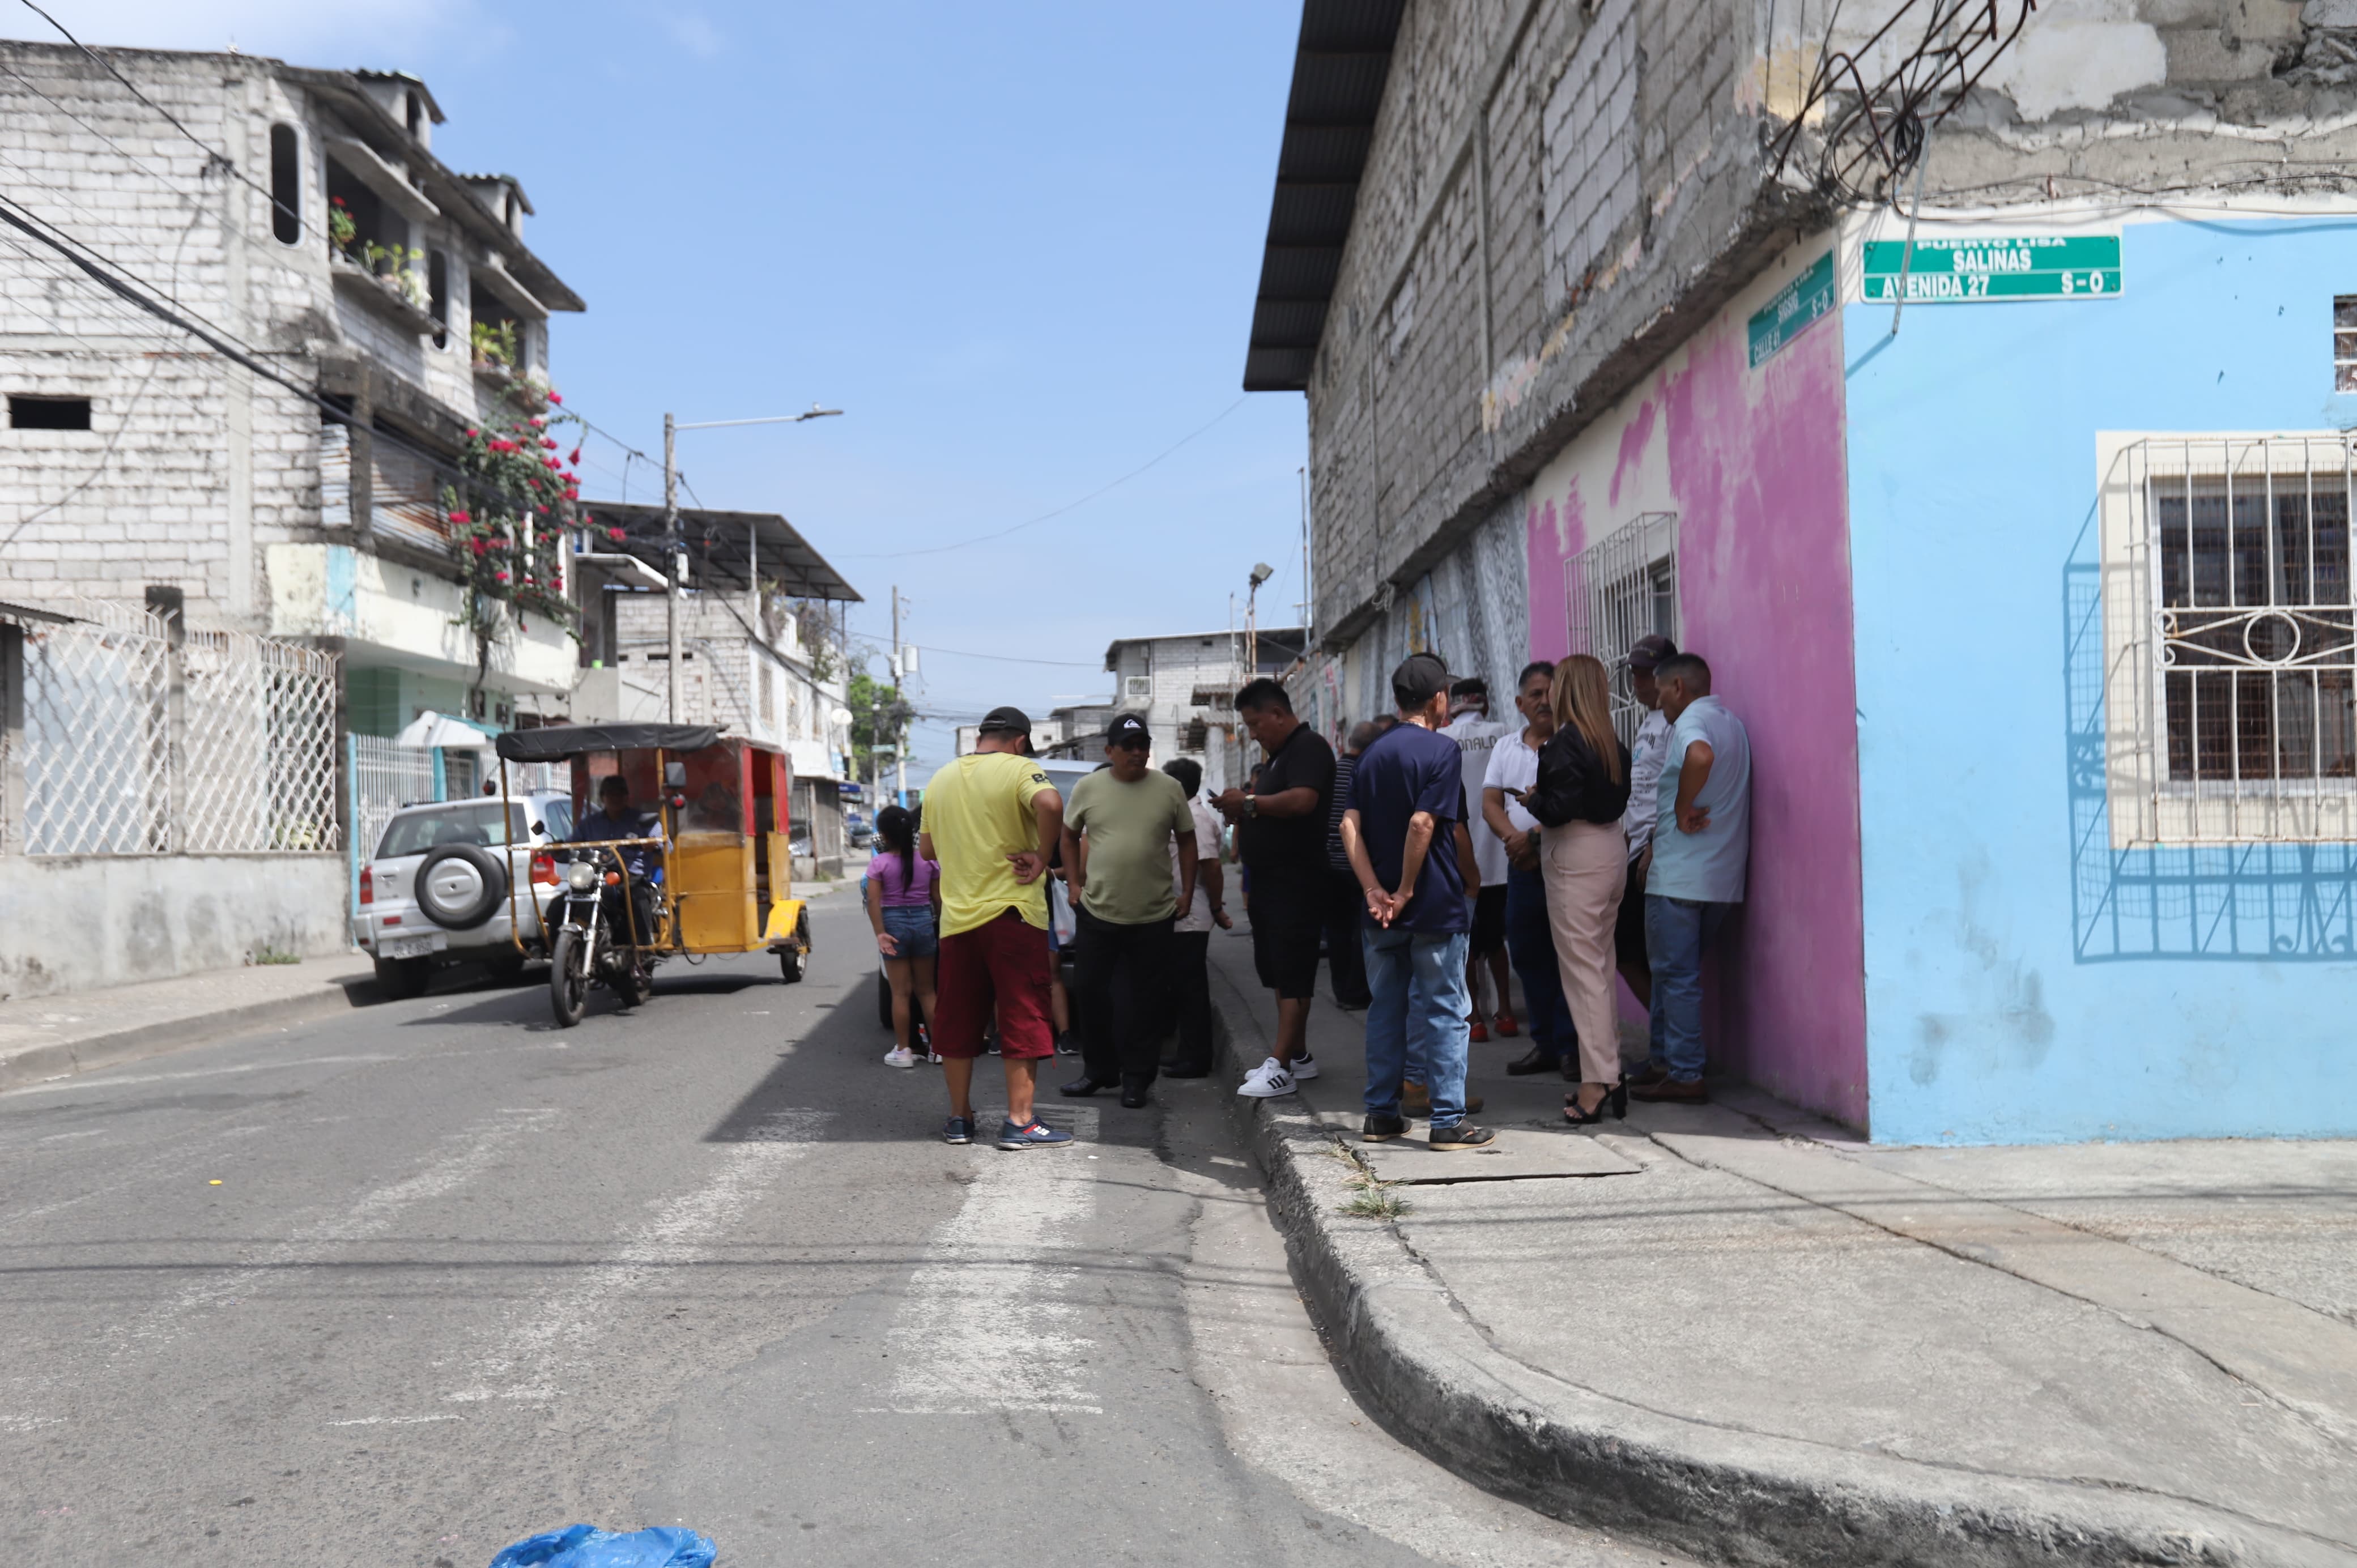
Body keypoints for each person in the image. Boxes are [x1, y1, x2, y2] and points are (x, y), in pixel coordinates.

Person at [1341, 653, 1495, 1151]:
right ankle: (1449, 1121)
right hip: (1430, 905)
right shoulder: (1440, 752)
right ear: (1438, 700)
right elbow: (1424, 824)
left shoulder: (1370, 755)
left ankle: (1381, 1114)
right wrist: (1406, 890)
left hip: (1379, 913)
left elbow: (1349, 827)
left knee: (1387, 1009)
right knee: (1447, 1009)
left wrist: (1374, 891)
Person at [916, 705, 1074, 1149]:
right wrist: (1042, 855)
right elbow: (1050, 803)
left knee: (959, 1018)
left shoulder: (941, 777)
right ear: (1021, 740)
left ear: (983, 736)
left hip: (957, 920)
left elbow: (927, 848)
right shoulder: (1021, 769)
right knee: (1022, 1014)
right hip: (1013, 912)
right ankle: (1019, 1121)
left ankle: (959, 1118)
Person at [1057, 714, 1197, 1108]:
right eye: (1129, 747)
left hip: (1153, 915)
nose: (1137, 753)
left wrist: (1185, 891)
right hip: (1097, 912)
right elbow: (1068, 837)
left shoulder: (1169, 789)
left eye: (1143, 745)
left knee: (1146, 1001)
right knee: (1089, 994)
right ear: (1110, 751)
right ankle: (1099, 1070)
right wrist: (1074, 884)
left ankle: (1137, 1079)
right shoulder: (1089, 787)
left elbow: (1187, 841)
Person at [1632, 653, 1750, 1104]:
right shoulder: (1732, 722)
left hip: (1681, 878)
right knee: (1671, 974)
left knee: (1675, 975)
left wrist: (1681, 808)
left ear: (1678, 687)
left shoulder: (1690, 723)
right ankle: (1664, 1061)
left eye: (1660, 690)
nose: (1658, 700)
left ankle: (1684, 1073)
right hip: (1721, 878)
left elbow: (1699, 756)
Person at [1211, 678, 1335, 1098]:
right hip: (1269, 883)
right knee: (1278, 969)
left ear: (1278, 714)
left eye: (1254, 724)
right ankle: (1298, 1055)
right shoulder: (1278, 759)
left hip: (1296, 882)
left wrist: (1248, 804)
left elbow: (1303, 801)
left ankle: (1280, 1064)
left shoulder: (1309, 748)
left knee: (1294, 971)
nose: (1252, 734)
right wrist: (1242, 804)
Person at [1527, 654, 1633, 1124]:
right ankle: (1609, 1074)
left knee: (1583, 973)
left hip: (1577, 855)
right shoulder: (1610, 740)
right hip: (1611, 848)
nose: (1547, 694)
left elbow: (1560, 807)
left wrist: (1534, 800)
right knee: (1600, 966)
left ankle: (1598, 1081)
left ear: (1566, 689)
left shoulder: (1567, 743)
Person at [1480, 661, 1576, 1077]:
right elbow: (1490, 803)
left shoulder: (1573, 744)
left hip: (1565, 864)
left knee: (1568, 957)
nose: (1543, 701)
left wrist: (1532, 839)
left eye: (1549, 692)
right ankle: (1545, 1044)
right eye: (1535, 695)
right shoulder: (1505, 747)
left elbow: (1573, 804)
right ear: (1520, 703)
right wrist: (1514, 841)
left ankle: (1572, 1046)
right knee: (1525, 952)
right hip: (1520, 867)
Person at [1441, 678, 1516, 1042]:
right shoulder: (1503, 733)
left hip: (1460, 855)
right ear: (1484, 705)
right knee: (1496, 939)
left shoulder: (1443, 740)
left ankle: (1474, 1019)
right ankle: (1506, 1011)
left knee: (1466, 940)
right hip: (1503, 853)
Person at [1160, 756, 1231, 1077]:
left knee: (1191, 990)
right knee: (1180, 987)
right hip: (1181, 913)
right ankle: (1186, 1054)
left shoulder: (1196, 819)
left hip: (1192, 915)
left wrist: (1217, 907)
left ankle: (1196, 1059)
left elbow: (1211, 867)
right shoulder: (1181, 814)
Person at [1617, 634, 1677, 1008]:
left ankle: (1668, 1043)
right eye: (1634, 674)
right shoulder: (1649, 720)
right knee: (1630, 953)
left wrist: (1654, 845)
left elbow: (1674, 787)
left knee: (1631, 952)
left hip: (1653, 855)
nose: (1637, 682)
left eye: (1645, 674)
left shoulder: (1673, 723)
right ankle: (1667, 1042)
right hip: (1635, 848)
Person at [865, 803, 939, 1070]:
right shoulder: (928, 861)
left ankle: (904, 1050)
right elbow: (938, 899)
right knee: (928, 991)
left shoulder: (879, 863)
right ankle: (938, 1050)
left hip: (894, 925)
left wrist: (880, 934)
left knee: (900, 993)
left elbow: (873, 901)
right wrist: (940, 928)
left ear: (884, 836)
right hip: (923, 923)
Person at [571, 773, 661, 968]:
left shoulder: (641, 820)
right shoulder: (590, 823)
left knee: (638, 898)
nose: (615, 798)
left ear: (627, 796)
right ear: (602, 797)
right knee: (561, 904)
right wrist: (557, 848)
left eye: (620, 794)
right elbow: (572, 843)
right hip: (597, 876)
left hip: (632, 876)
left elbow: (665, 843)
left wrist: (652, 844)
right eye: (610, 794)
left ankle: (646, 950)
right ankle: (570, 952)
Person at [1322, 722, 1375, 1011]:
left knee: (1337, 931)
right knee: (1360, 930)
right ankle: (1357, 992)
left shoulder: (1330, 773)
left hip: (1329, 866)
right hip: (1357, 865)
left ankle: (1342, 990)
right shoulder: (1366, 773)